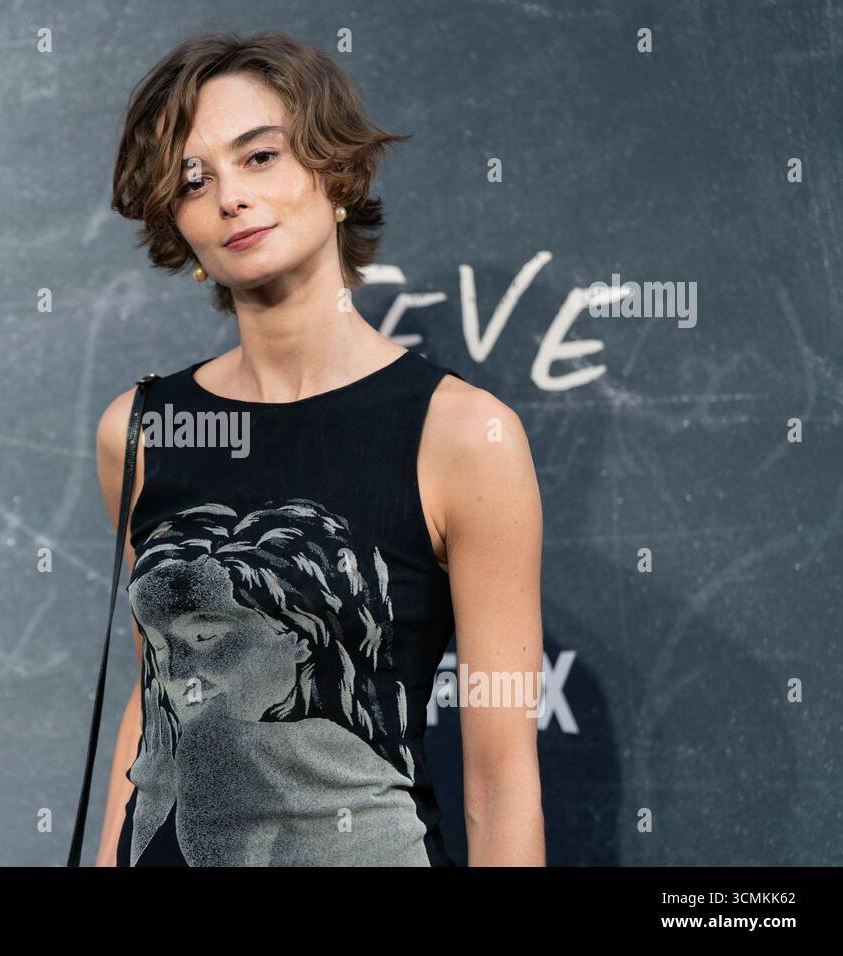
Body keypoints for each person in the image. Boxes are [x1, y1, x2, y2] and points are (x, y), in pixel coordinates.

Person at [94, 30, 545, 866]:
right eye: (193, 180)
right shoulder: (141, 426)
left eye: (259, 157)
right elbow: (153, 700)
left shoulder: (463, 436)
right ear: (177, 225)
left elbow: (500, 776)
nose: (229, 196)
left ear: (334, 174)